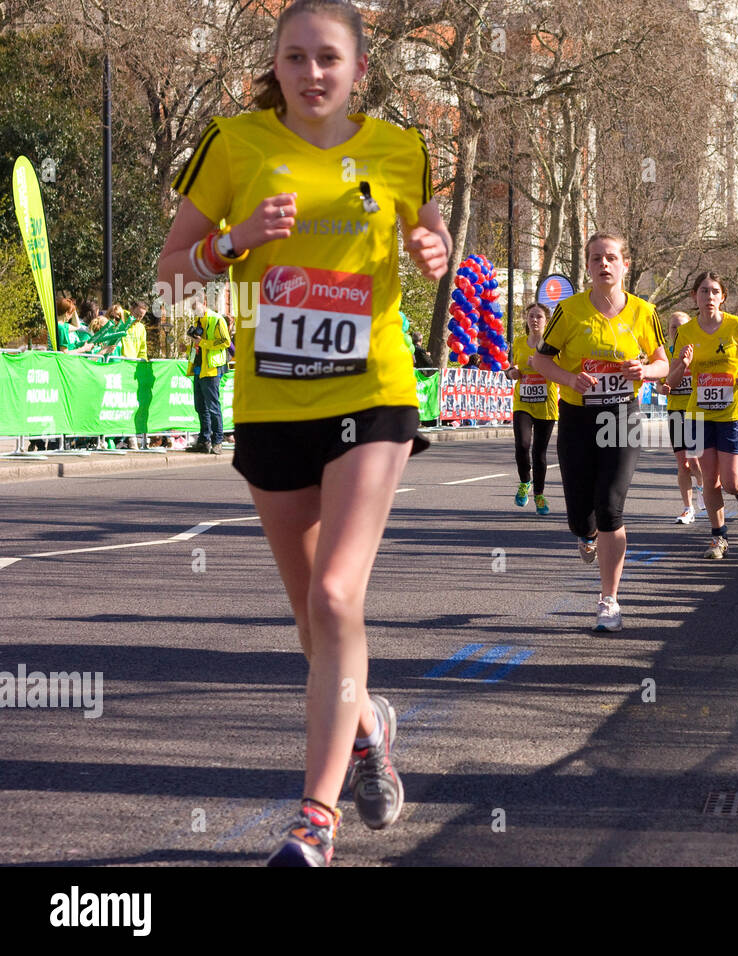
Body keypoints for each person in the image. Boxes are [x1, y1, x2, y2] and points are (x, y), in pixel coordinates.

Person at [159, 0, 452, 867]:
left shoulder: (401, 148)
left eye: (329, 58)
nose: (313, 73)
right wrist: (233, 244)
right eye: (296, 58)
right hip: (273, 403)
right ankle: (367, 723)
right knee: (310, 617)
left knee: (334, 597)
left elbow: (428, 231)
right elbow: (173, 282)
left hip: (374, 393)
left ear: (359, 69)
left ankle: (312, 822)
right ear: (277, 66)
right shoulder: (233, 144)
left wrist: (436, 248)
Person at [531, 233, 668, 630]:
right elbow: (541, 361)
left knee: (611, 507)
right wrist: (569, 379)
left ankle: (609, 599)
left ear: (625, 264)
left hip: (622, 417)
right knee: (581, 515)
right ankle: (584, 533)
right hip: (577, 419)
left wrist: (646, 370)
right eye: (596, 259)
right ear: (588, 266)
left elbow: (663, 363)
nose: (603, 265)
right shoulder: (569, 311)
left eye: (611, 258)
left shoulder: (644, 312)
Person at [664, 270, 738, 558]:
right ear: (695, 296)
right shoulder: (685, 332)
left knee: (731, 481)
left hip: (732, 412)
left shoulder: (737, 326)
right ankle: (718, 538)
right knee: (710, 479)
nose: (709, 296)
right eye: (703, 291)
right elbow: (671, 379)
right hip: (698, 414)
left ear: (723, 297)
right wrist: (681, 365)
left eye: (714, 291)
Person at [505, 301, 558, 515]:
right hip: (523, 401)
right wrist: (512, 372)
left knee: (539, 453)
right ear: (526, 320)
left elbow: (560, 371)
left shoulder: (553, 344)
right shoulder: (518, 342)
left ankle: (539, 495)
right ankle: (525, 481)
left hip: (546, 404)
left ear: (546, 321)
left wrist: (540, 365)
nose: (534, 320)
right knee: (522, 444)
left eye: (539, 316)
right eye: (531, 316)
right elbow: (511, 368)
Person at [659, 310, 707, 524]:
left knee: (695, 461)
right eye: (673, 327)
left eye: (681, 327)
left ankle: (702, 487)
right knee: (683, 463)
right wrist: (662, 388)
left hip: (697, 411)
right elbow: (659, 383)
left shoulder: (699, 352)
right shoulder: (665, 356)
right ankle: (688, 508)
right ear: (669, 331)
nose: (677, 331)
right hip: (676, 411)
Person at [182, 293, 231, 454]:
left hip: (211, 369)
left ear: (203, 303)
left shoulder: (217, 319)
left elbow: (225, 342)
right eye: (192, 307)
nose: (193, 310)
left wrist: (201, 342)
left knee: (213, 407)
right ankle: (204, 440)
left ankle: (217, 441)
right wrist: (187, 349)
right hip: (199, 368)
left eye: (195, 306)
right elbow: (198, 347)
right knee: (200, 406)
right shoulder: (198, 321)